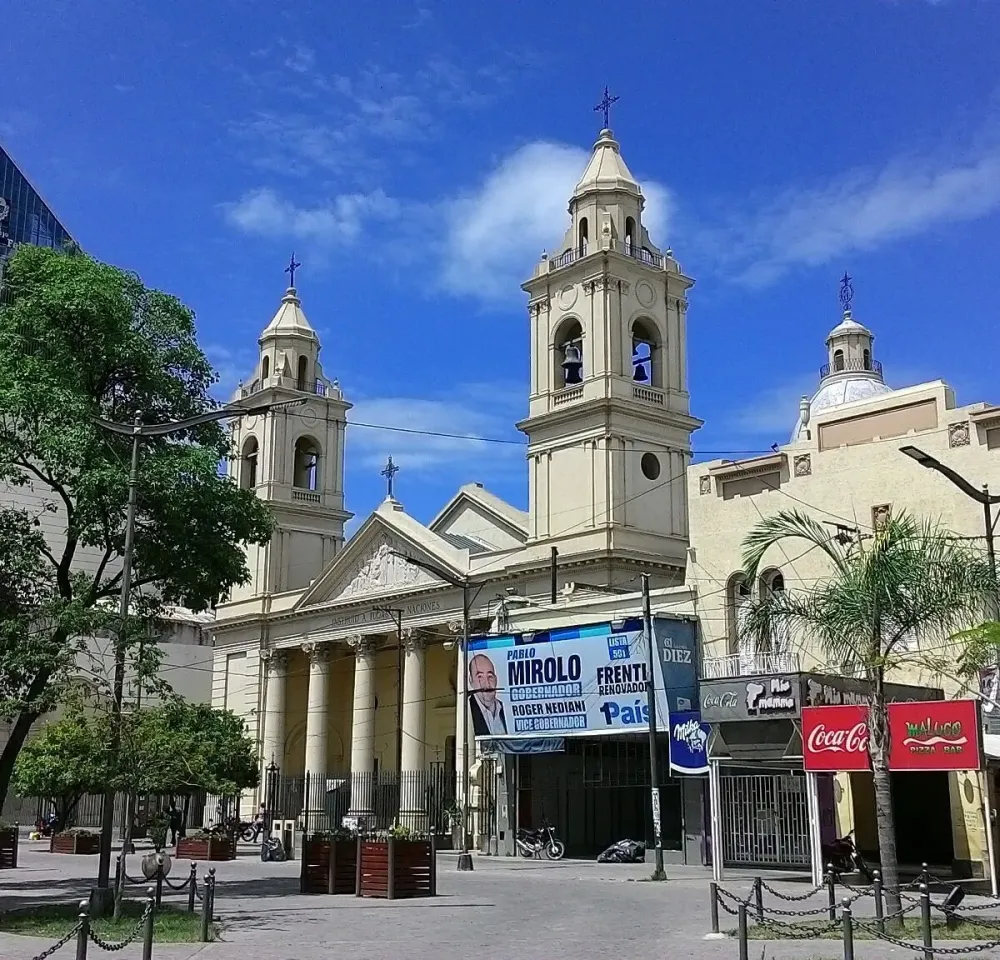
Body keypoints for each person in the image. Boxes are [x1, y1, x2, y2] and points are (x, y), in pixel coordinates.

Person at [468, 653, 507, 736]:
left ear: (496, 679)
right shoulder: (466, 711)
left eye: (490, 676)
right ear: (471, 681)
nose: (487, 684)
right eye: (480, 677)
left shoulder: (506, 709)